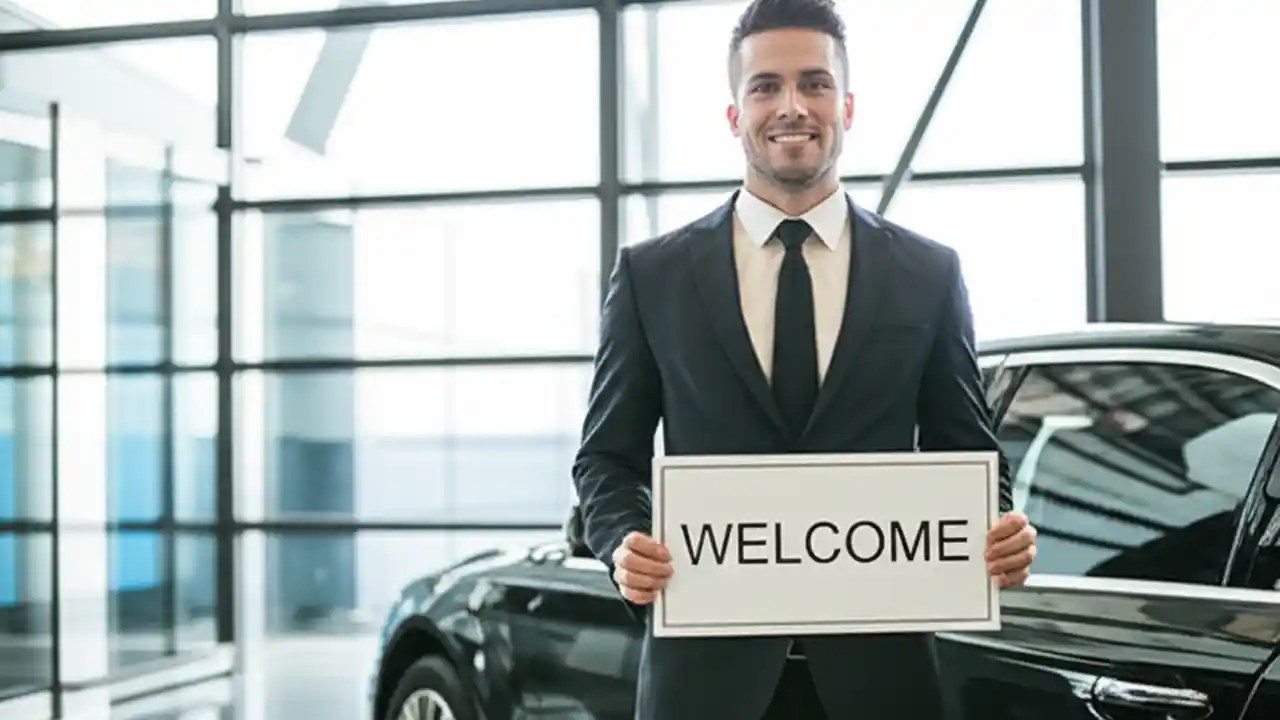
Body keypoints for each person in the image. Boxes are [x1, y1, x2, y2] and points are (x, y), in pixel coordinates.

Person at [571, 0, 1037, 717]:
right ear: (735, 114)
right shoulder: (651, 276)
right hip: (705, 679)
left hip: (880, 681)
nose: (792, 106)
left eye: (815, 84)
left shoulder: (927, 272)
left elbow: (967, 450)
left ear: (847, 106)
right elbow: (606, 458)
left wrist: (999, 525)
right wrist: (622, 541)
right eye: (766, 87)